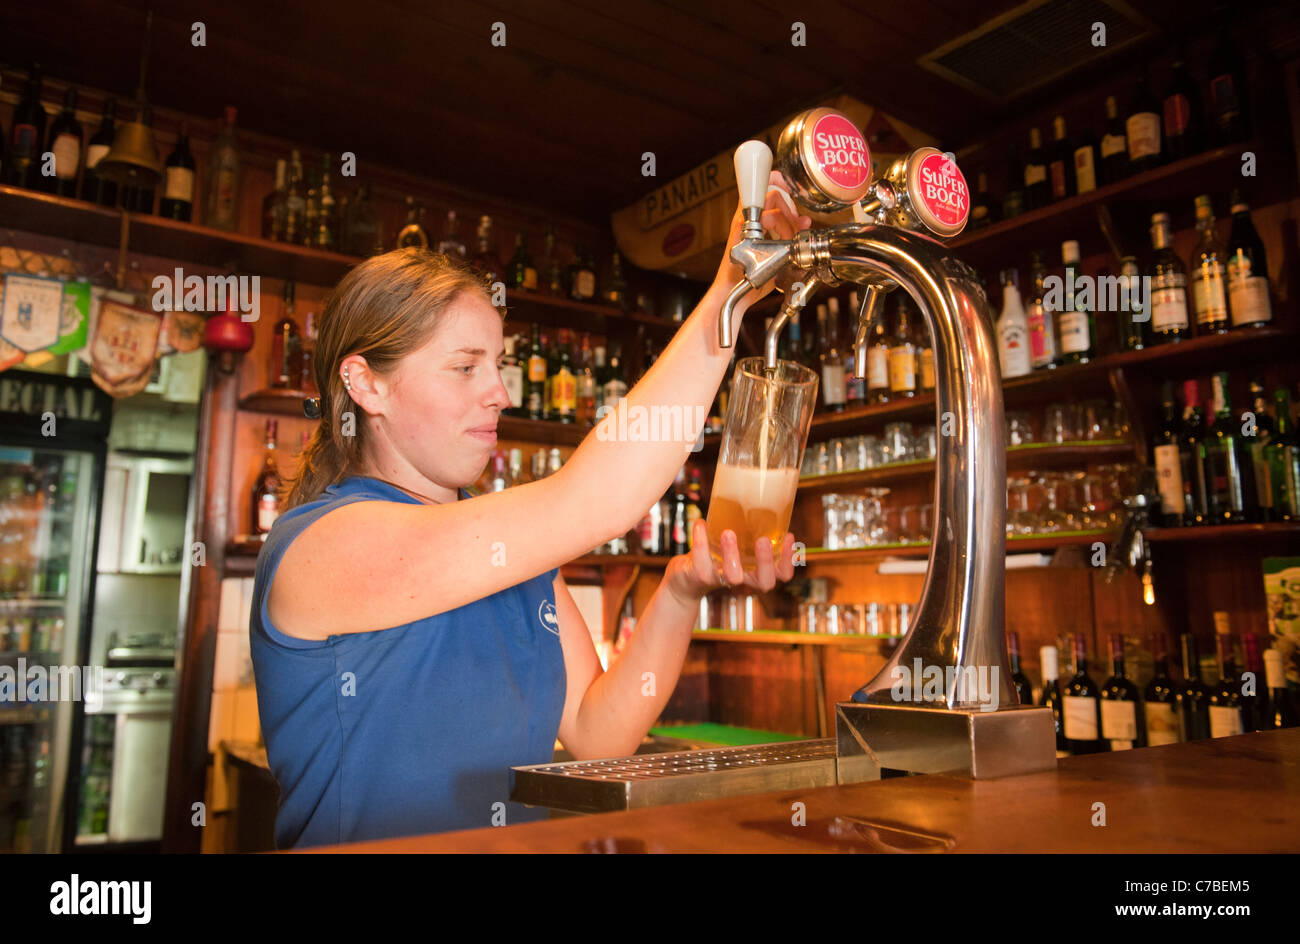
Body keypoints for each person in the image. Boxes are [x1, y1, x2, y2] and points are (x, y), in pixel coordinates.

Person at [249, 174, 811, 848]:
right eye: (465, 367)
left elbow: (603, 733)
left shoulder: (510, 558)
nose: (500, 392)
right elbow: (600, 499)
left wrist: (682, 591)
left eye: (499, 363)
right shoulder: (326, 543)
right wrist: (730, 293)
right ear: (366, 383)